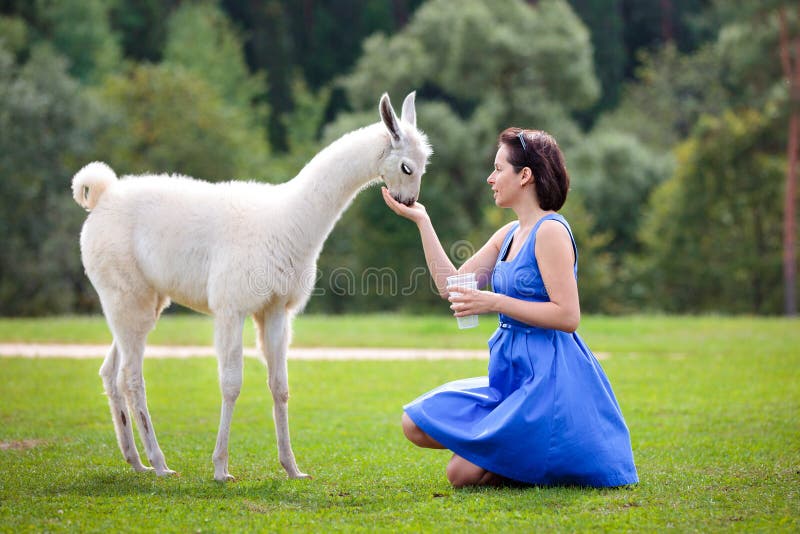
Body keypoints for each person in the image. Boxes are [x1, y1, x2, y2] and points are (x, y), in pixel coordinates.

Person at [381, 127, 638, 488]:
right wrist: (423, 221)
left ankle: (546, 454)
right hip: (510, 377)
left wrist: (494, 301)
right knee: (415, 424)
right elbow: (451, 285)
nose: (491, 178)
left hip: (548, 380)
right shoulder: (509, 233)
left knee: (460, 474)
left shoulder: (550, 231)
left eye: (498, 169)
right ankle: (528, 457)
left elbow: (568, 316)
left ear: (525, 175)